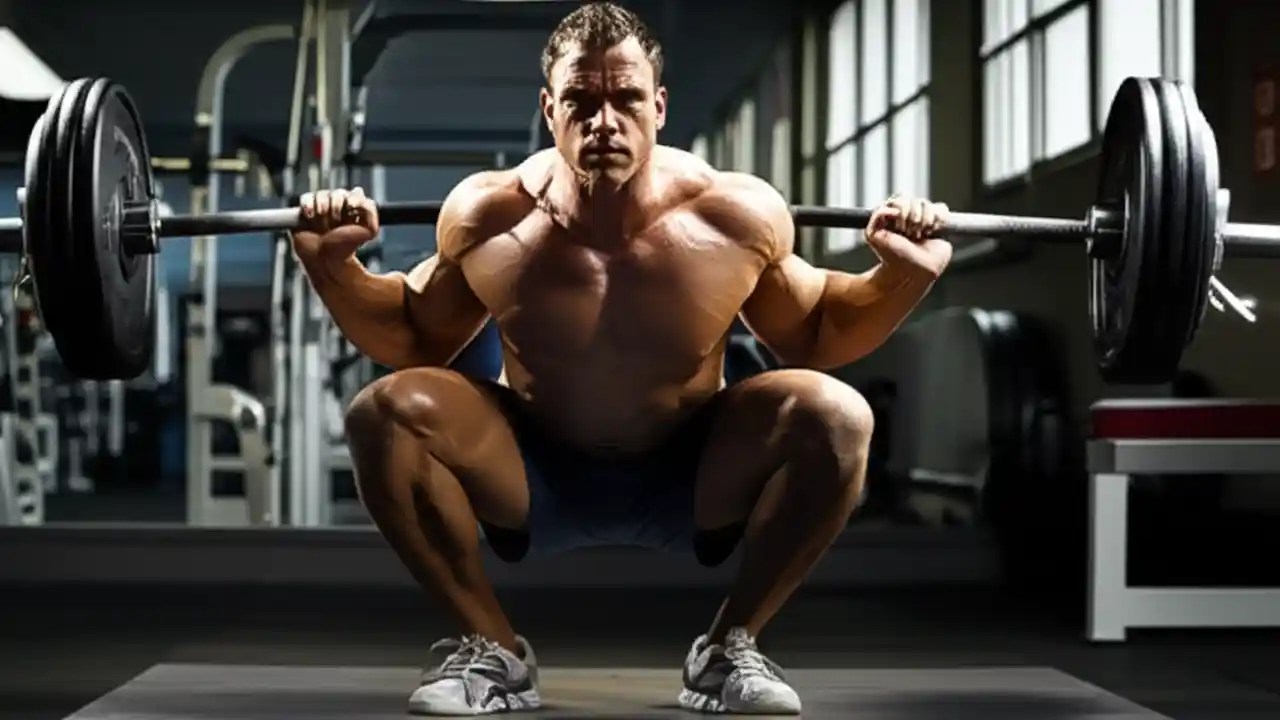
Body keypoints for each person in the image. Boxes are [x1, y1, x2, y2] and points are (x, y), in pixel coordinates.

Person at [290, 2, 951, 715]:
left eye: (626, 99)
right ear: (550, 108)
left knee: (838, 415)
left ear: (658, 106)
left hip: (692, 471)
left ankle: (731, 648)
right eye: (581, 100)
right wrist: (335, 269)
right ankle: (493, 651)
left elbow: (816, 333)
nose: (604, 120)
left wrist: (903, 274)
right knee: (384, 413)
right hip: (534, 468)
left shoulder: (733, 214)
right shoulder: (490, 214)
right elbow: (414, 336)